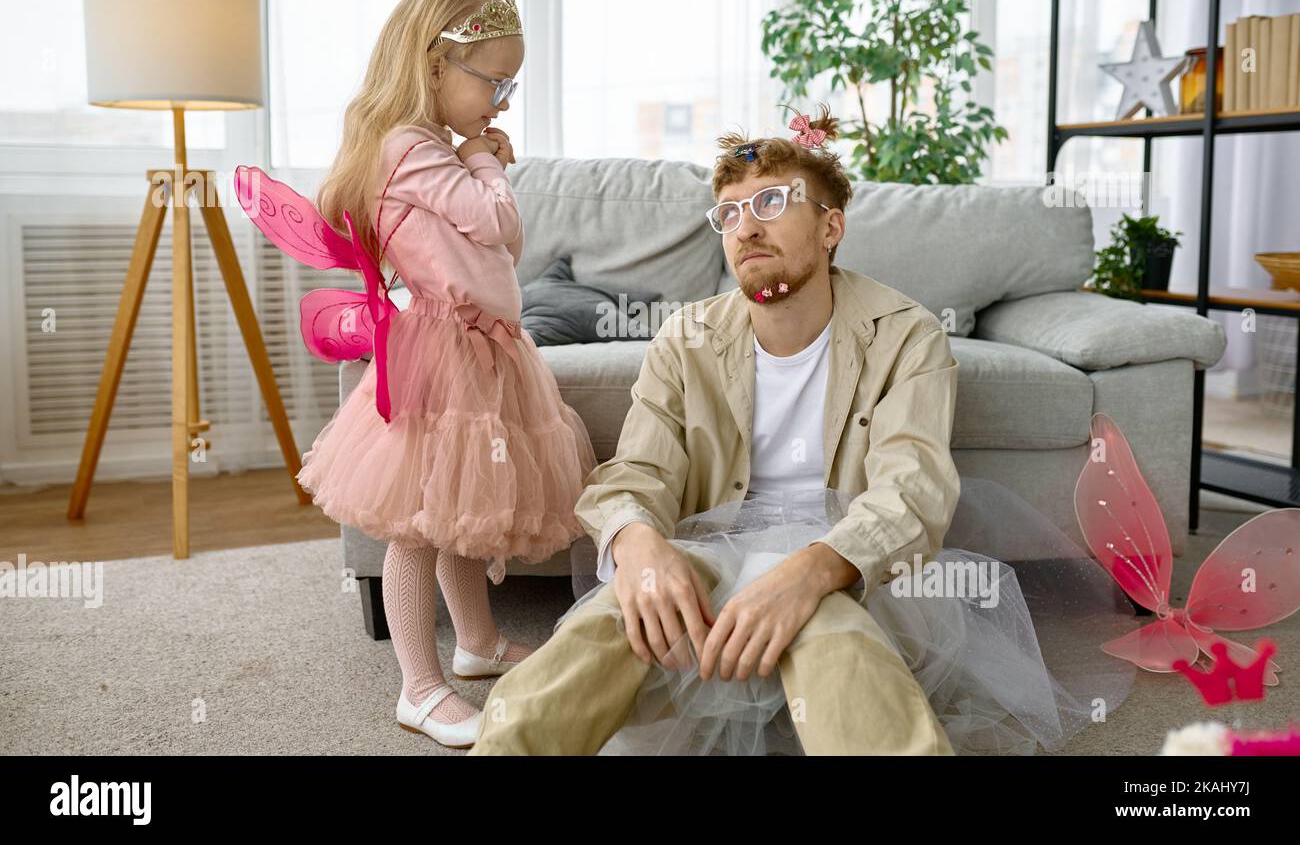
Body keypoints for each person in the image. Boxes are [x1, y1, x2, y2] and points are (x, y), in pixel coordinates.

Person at [469, 105, 1134, 755]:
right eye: (729, 212)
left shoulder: (907, 335)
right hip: (711, 550)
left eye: (771, 204)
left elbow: (914, 490)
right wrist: (638, 547)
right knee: (617, 620)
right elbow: (639, 472)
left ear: (830, 227)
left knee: (828, 626)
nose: (745, 227)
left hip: (847, 560)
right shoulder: (685, 338)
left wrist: (809, 573)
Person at [293, 0, 595, 748]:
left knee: (463, 516)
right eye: (494, 80)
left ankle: (479, 644)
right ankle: (419, 689)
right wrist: (486, 160)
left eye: (510, 84)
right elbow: (493, 221)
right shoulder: (409, 146)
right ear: (435, 67)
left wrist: (477, 156)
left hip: (482, 345)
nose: (501, 99)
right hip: (439, 350)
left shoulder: (436, 149)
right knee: (420, 524)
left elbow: (506, 245)